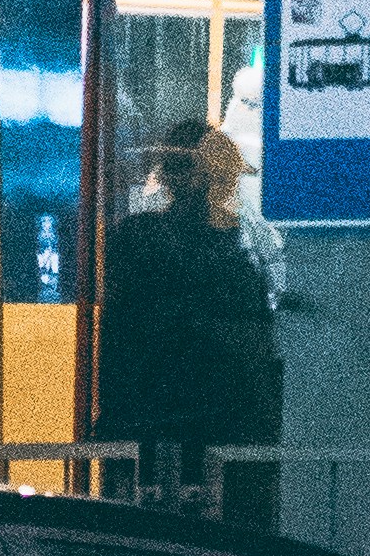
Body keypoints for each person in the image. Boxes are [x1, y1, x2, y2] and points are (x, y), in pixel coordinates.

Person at [88, 120, 282, 491]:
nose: (230, 189)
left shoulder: (136, 235)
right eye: (224, 179)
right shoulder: (234, 249)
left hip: (153, 415)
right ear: (204, 180)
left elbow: (119, 333)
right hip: (212, 416)